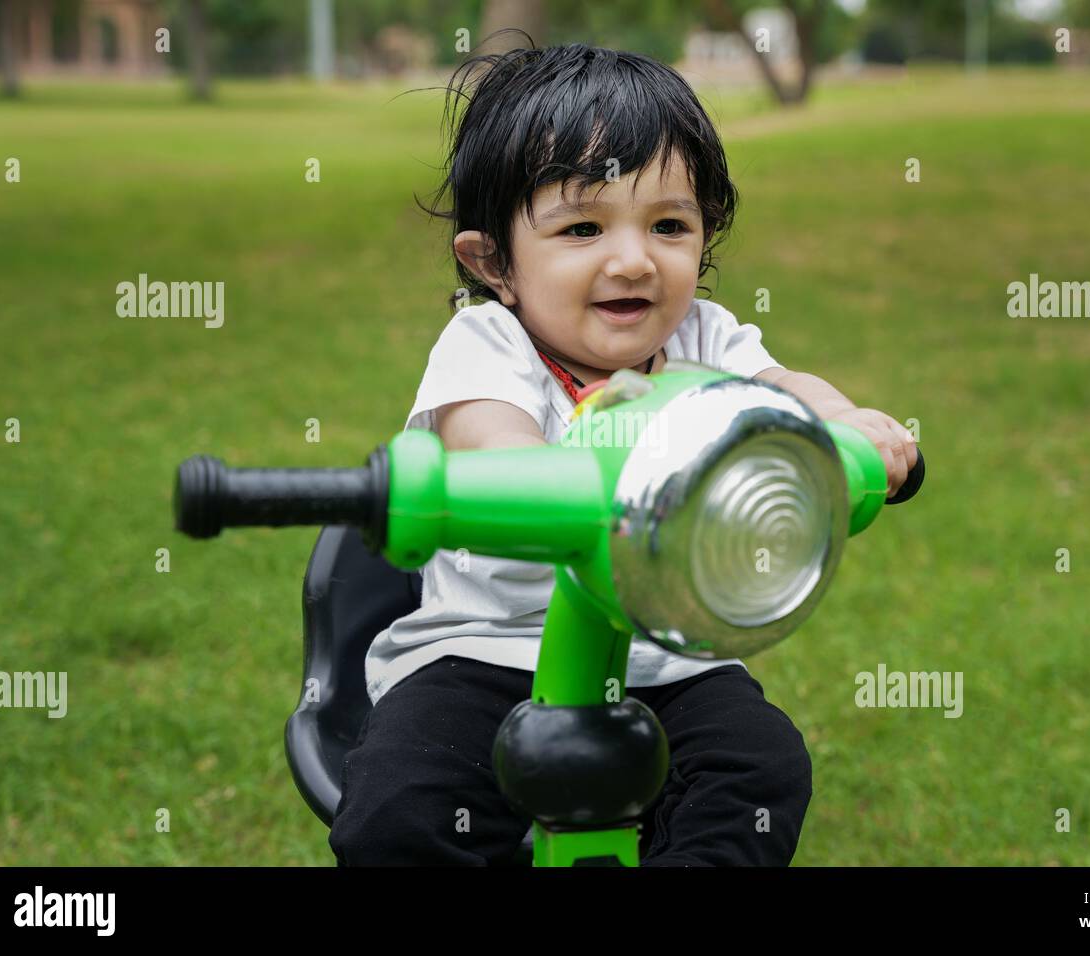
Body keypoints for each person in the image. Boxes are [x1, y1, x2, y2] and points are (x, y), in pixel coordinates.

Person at [329, 37, 917, 867]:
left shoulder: (704, 340)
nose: (634, 259)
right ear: (493, 261)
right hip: (487, 651)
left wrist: (848, 423)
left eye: (669, 224)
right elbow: (495, 453)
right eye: (582, 226)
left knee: (757, 767)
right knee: (405, 804)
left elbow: (787, 388)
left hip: (665, 658)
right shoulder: (486, 345)